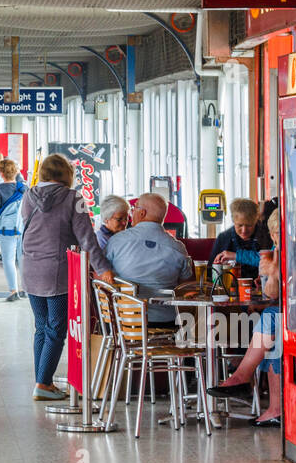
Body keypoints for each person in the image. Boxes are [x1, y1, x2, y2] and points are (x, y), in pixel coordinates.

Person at [20, 153, 113, 401]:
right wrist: (103, 268)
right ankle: (43, 383)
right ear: (66, 175)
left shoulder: (27, 196)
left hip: (31, 268)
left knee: (42, 327)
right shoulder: (75, 198)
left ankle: (44, 380)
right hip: (58, 270)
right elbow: (87, 238)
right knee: (55, 329)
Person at [208, 209, 283, 426]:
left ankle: (242, 375)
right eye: (275, 233)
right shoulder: (277, 250)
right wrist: (267, 277)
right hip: (286, 315)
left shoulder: (292, 252)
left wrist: (273, 273)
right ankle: (274, 408)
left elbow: (273, 293)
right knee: (271, 337)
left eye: (281, 232)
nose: (278, 238)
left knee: (270, 318)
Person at [105, 193, 194, 327]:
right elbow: (186, 287)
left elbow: (102, 278)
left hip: (123, 323)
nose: (132, 213)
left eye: (134, 208)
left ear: (142, 213)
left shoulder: (116, 241)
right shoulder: (178, 248)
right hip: (165, 324)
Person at [0, 158, 26, 301]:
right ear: (16, 172)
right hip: (22, 227)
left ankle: (13, 291)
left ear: (1, 173)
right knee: (22, 258)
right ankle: (25, 289)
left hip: (6, 228)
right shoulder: (23, 188)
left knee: (9, 260)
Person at [210, 197, 273, 286]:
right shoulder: (223, 238)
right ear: (233, 221)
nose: (244, 230)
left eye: (249, 225)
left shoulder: (267, 237)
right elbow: (210, 272)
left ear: (256, 221)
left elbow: (271, 262)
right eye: (239, 225)